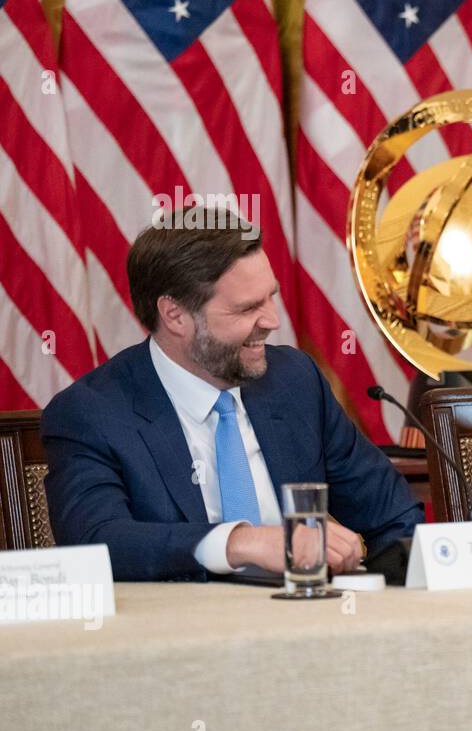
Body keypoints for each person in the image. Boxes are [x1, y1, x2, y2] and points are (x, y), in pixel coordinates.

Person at [41, 209, 423, 581]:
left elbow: (395, 517)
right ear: (175, 315)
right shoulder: (91, 413)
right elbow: (96, 541)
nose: (272, 321)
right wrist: (241, 542)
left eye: (270, 296)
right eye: (248, 308)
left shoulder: (294, 381)